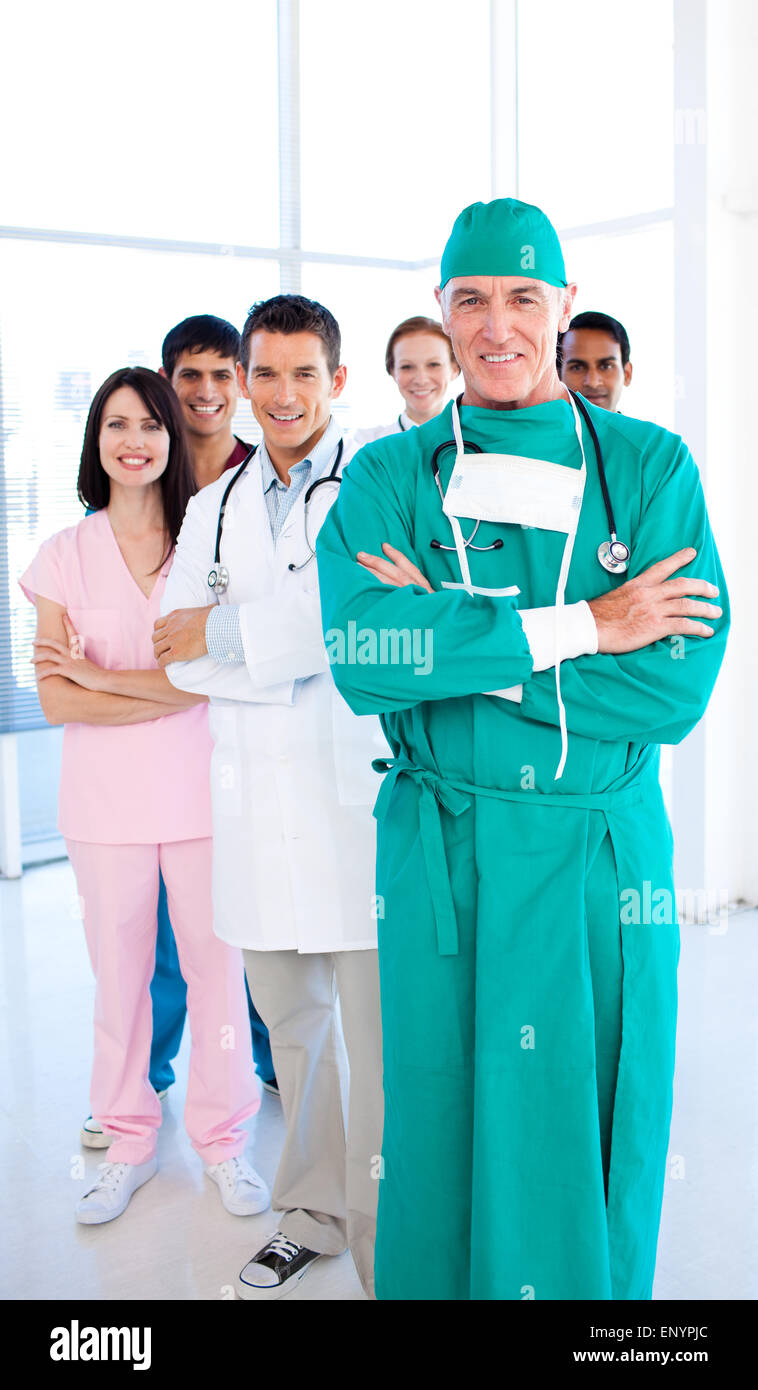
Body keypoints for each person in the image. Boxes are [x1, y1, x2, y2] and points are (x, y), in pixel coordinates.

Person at [316, 197, 729, 1301]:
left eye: (520, 298)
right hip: (442, 859)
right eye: (470, 301)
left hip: (596, 861)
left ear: (563, 306)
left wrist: (454, 635)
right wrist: (586, 624)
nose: (496, 325)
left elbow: (673, 684)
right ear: (440, 317)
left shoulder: (648, 466)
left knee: (589, 1120)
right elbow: (363, 651)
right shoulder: (386, 476)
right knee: (441, 1119)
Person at [152, 295, 386, 1300]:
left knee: (374, 1047)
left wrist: (228, 636)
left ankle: (388, 1238)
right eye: (266, 373)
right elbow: (173, 650)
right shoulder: (210, 506)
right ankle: (311, 1213)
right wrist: (251, 645)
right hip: (255, 812)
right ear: (241, 384)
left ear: (336, 381)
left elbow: (345, 625)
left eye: (303, 373)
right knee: (294, 1032)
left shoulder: (373, 486)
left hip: (354, 805)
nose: (281, 393)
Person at [21, 367, 267, 1224]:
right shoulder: (62, 553)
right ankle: (126, 1142)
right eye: (117, 424)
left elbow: (214, 680)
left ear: (173, 439)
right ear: (96, 439)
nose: (135, 440)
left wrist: (98, 673)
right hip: (105, 808)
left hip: (205, 795)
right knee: (119, 978)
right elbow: (55, 700)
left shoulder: (206, 543)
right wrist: (149, 681)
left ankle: (226, 1144)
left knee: (217, 974)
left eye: (150, 425)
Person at [79, 317, 275, 1155]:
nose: (204, 393)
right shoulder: (141, 485)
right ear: (168, 382)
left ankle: (257, 1073)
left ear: (238, 382)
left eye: (219, 376)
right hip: (153, 759)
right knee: (151, 937)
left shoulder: (258, 476)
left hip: (239, 736)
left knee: (234, 928)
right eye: (187, 378)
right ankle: (145, 1083)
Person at [353, 314, 459, 444]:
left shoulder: (477, 440)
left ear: (455, 368)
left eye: (433, 365)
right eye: (407, 367)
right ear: (392, 370)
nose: (421, 380)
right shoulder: (365, 443)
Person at [558, 309, 632, 412]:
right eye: (577, 367)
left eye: (606, 366)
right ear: (557, 375)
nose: (593, 383)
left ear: (627, 374)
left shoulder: (648, 429)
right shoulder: (538, 428)